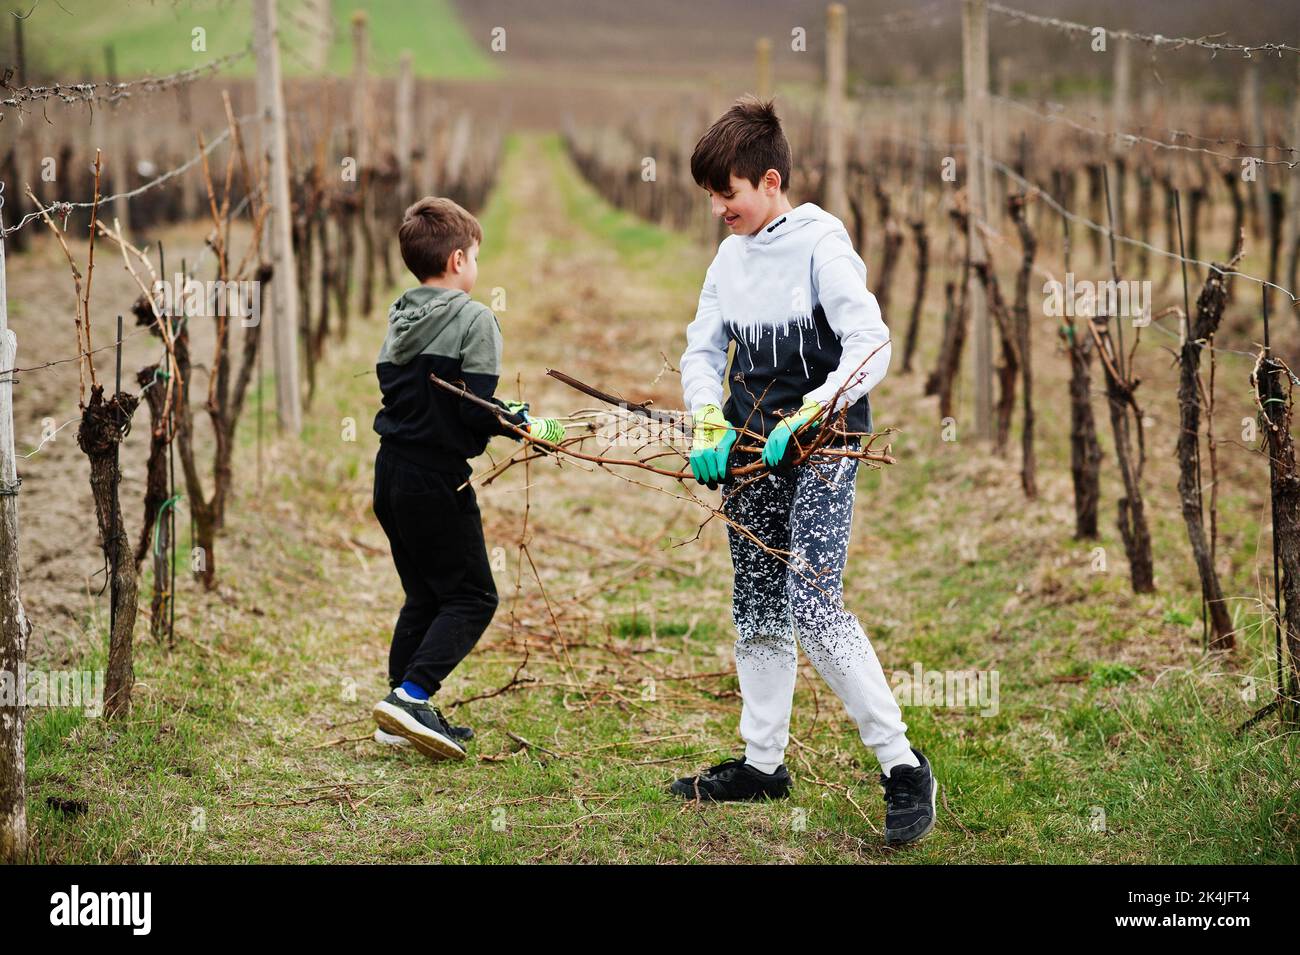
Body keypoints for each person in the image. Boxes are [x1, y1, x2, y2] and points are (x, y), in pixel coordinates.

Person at [670, 97, 936, 845]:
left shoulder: (822, 242)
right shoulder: (728, 258)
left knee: (814, 603)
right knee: (755, 602)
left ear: (771, 179)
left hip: (825, 445)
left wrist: (812, 409)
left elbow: (871, 341)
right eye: (711, 196)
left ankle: (902, 765)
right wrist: (707, 415)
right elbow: (700, 350)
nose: (718, 207)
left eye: (728, 193)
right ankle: (763, 764)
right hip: (750, 449)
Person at [369, 196, 564, 761]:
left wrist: (503, 412)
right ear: (458, 261)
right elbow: (473, 410)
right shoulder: (475, 319)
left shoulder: (401, 314)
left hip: (391, 474)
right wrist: (524, 426)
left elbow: (436, 396)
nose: (477, 266)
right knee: (474, 596)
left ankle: (395, 715)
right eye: (475, 256)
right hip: (435, 480)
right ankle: (412, 696)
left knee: (424, 594)